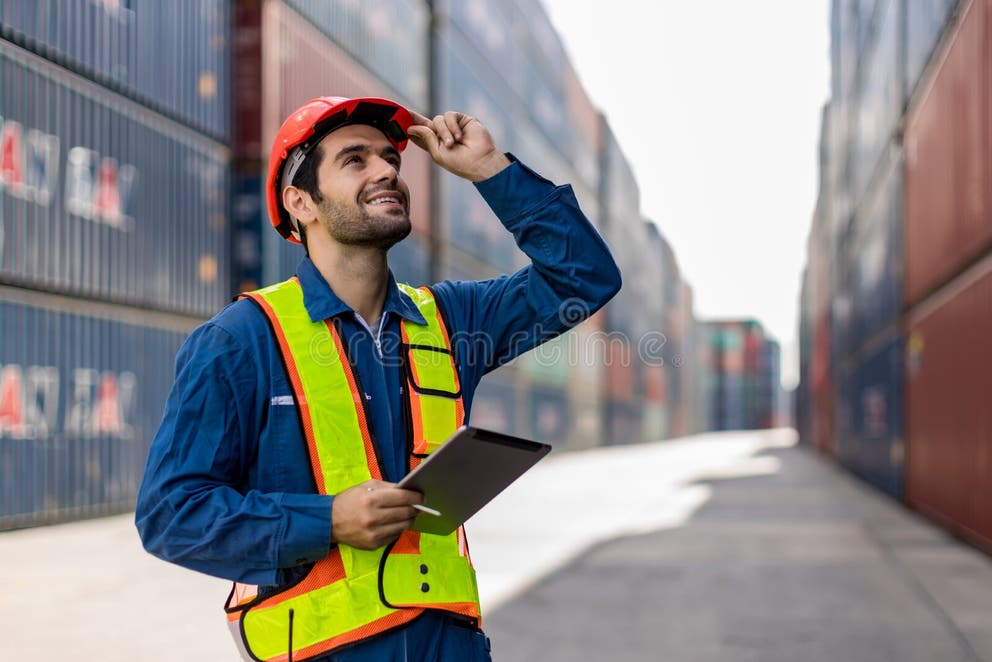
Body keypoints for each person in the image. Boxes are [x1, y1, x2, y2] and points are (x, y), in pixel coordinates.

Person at [135, 96, 621, 661]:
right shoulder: (240, 341)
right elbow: (172, 514)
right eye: (355, 160)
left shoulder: (451, 322)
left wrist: (491, 171)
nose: (387, 169)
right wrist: (327, 520)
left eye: (389, 157)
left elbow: (583, 278)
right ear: (301, 202)